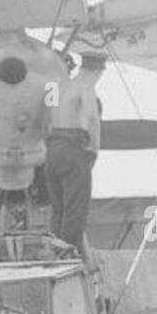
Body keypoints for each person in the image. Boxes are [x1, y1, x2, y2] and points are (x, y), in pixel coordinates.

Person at [44, 51, 105, 253]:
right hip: (73, 148)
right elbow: (91, 120)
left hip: (51, 150)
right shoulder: (85, 87)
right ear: (97, 71)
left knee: (58, 210)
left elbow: (44, 118)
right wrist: (93, 153)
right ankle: (70, 255)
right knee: (75, 210)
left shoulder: (52, 87)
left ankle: (55, 251)